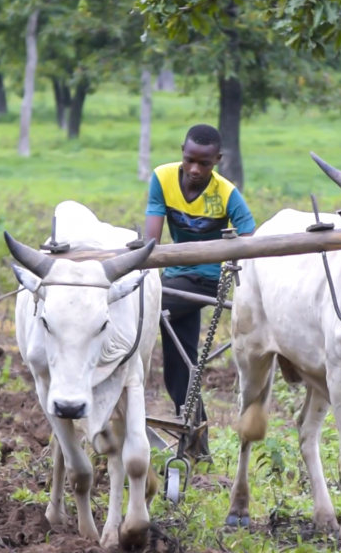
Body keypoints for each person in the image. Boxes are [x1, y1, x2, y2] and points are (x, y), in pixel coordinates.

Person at [144, 124, 255, 459]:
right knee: (179, 364)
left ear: (217, 161)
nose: (195, 169)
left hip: (209, 279)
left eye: (204, 163)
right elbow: (152, 244)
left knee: (143, 309)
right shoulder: (162, 178)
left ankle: (124, 405)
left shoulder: (226, 194)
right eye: (190, 159)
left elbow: (251, 241)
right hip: (175, 276)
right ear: (182, 152)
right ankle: (197, 446)